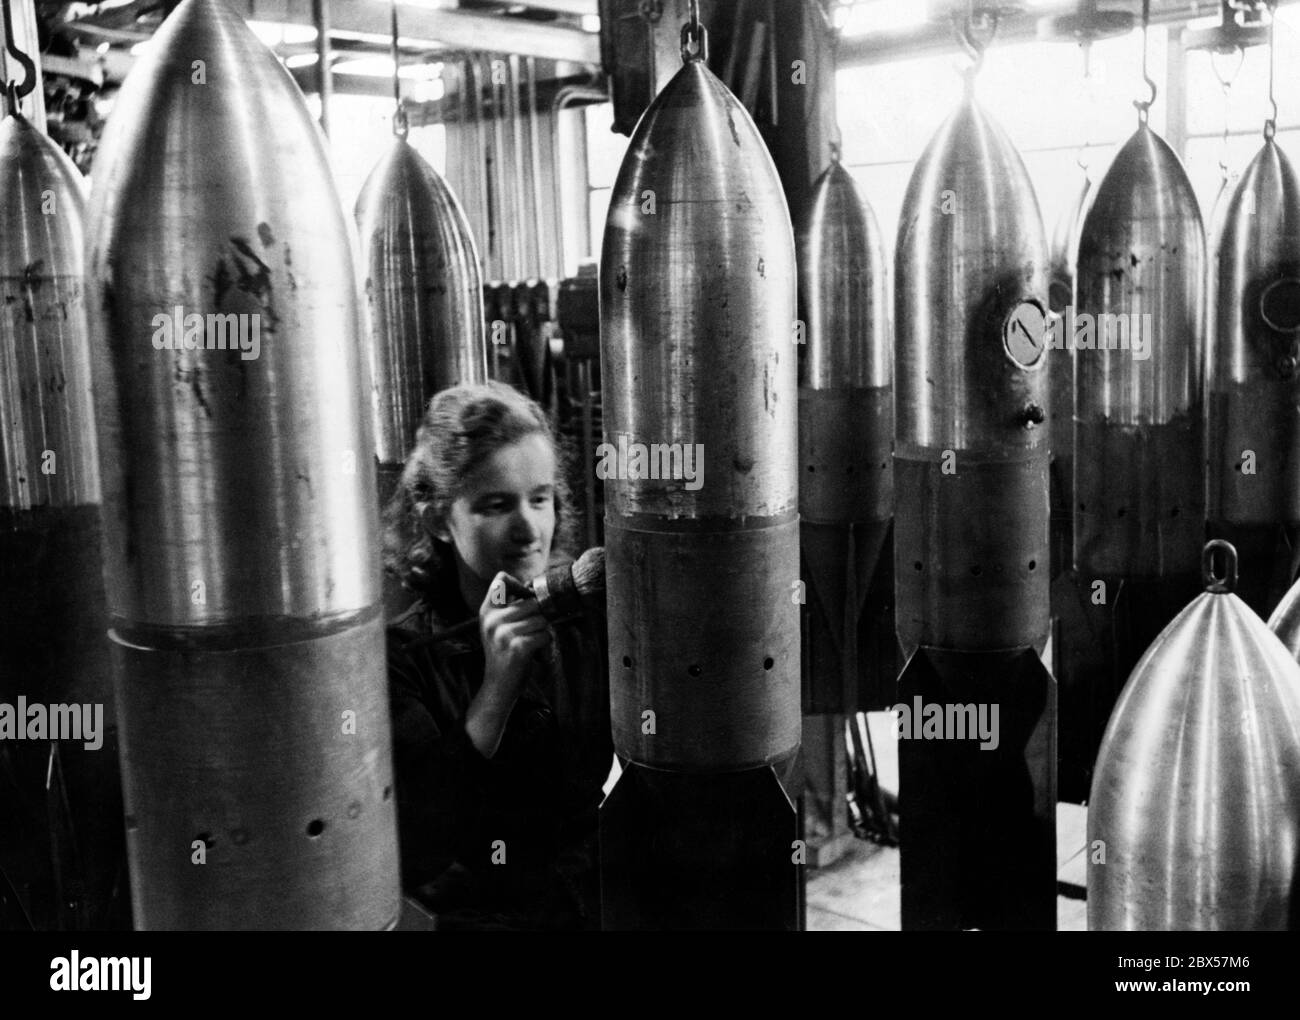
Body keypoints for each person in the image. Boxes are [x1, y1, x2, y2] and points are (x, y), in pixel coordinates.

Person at [382, 381, 611, 930]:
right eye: (496, 504)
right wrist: (496, 691)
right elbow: (417, 847)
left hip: (588, 898)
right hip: (476, 917)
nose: (529, 527)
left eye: (540, 498)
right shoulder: (405, 656)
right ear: (438, 518)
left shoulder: (580, 619)